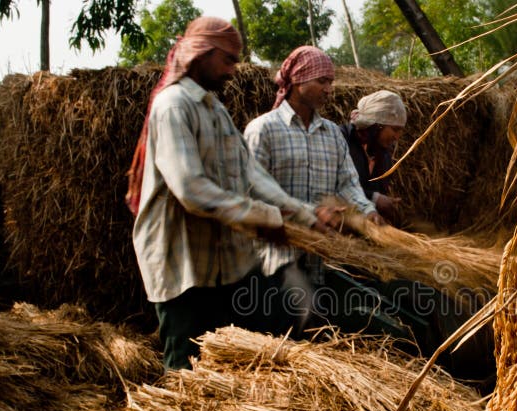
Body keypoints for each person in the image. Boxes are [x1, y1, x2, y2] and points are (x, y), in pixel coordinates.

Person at [127, 17, 321, 371]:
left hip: (226, 263)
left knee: (234, 360)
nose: (233, 70)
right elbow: (191, 189)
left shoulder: (215, 110)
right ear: (200, 54)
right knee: (186, 367)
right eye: (227, 60)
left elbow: (251, 173)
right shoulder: (173, 106)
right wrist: (264, 217)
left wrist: (305, 215)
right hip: (182, 261)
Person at [243, 46, 384, 334]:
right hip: (278, 256)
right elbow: (252, 192)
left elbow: (347, 183)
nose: (329, 89)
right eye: (322, 81)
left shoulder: (332, 133)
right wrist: (309, 213)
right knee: (300, 324)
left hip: (323, 257)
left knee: (325, 328)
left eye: (331, 82)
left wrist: (368, 211)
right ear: (298, 80)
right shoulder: (263, 130)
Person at [340, 90, 407, 223]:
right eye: (395, 129)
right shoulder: (340, 140)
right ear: (376, 125)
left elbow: (378, 191)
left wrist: (386, 203)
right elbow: (335, 186)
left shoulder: (383, 155)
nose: (397, 137)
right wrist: (375, 198)